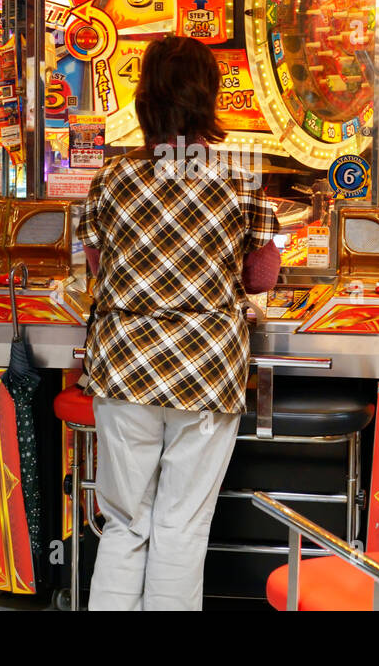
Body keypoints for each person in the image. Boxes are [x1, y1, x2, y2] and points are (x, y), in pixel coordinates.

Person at [78, 35, 281, 611]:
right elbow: (261, 277)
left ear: (146, 99)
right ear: (208, 97)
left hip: (124, 364)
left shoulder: (112, 178)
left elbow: (97, 265)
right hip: (206, 368)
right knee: (180, 527)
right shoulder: (239, 179)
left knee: (123, 522)